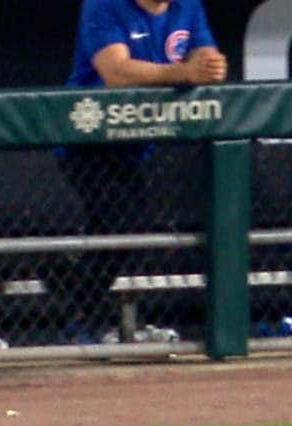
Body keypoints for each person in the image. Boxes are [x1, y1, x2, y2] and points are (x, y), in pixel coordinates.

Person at [58, 0, 228, 343]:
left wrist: (210, 66)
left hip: (138, 144)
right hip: (86, 139)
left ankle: (69, 291)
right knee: (122, 220)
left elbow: (209, 61)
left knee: (125, 228)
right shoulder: (103, 6)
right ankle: (78, 312)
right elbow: (116, 72)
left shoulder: (188, 6)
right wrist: (183, 72)